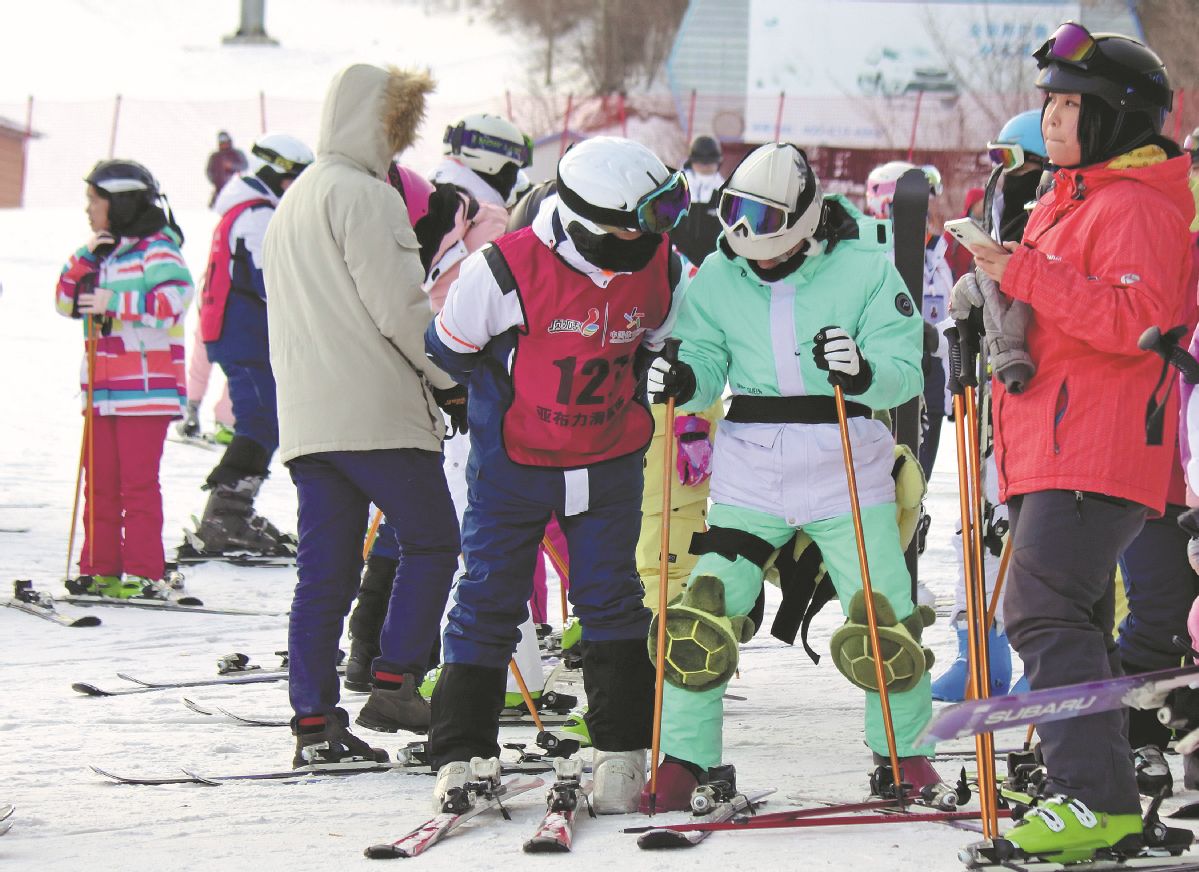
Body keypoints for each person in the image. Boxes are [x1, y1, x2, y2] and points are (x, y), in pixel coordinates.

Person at [953, 22, 1192, 863]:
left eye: (1071, 104)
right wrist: (991, 282)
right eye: (1049, 100)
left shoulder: (1134, 207)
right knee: (1074, 618)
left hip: (1098, 444)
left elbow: (1136, 322)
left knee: (1042, 608)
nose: (1051, 118)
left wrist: (1015, 270)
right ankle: (1100, 799)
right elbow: (1056, 304)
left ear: (1117, 117)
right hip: (1057, 442)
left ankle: (1098, 802)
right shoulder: (1079, 196)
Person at [646, 142, 936, 811]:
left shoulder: (864, 264)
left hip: (844, 466)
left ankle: (902, 750)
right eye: (736, 215)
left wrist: (862, 371)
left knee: (881, 615)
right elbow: (703, 356)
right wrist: (683, 379)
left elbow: (904, 366)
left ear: (804, 220)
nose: (749, 237)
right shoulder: (718, 275)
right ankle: (685, 756)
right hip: (752, 473)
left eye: (765, 220)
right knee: (704, 608)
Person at [423, 135, 691, 814]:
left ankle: (622, 750)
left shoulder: (663, 262)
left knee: (610, 597)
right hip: (516, 462)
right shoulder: (504, 269)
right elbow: (449, 349)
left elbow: (666, 341)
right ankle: (462, 754)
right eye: (647, 219)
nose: (657, 235)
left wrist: (667, 371)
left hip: (608, 460)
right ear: (594, 219)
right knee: (487, 594)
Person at [263, 64, 463, 767]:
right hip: (375, 410)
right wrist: (452, 381)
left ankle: (313, 723)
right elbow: (402, 310)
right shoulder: (366, 198)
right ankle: (395, 678)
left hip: (310, 418)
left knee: (323, 575)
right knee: (434, 539)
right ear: (389, 124)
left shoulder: (294, 198)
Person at [343, 161, 507, 693]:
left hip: (468, 387)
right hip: (417, 384)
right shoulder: (412, 225)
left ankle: (411, 650)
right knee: (411, 520)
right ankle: (369, 646)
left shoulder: (489, 231)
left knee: (445, 524)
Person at [932, 109, 1050, 703]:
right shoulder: (1000, 222)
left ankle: (1037, 660)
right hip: (991, 405)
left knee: (1027, 537)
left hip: (1043, 408)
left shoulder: (1058, 229)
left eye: (1011, 161)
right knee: (974, 529)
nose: (1001, 177)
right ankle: (979, 656)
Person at [56, 160, 193, 598]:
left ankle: (142, 569)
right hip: (102, 390)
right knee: (99, 483)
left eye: (94, 201)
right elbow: (64, 300)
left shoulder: (159, 250)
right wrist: (86, 256)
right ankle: (100, 567)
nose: (88, 210)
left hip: (146, 392)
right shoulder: (102, 251)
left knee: (136, 484)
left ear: (120, 202)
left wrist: (113, 300)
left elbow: (173, 299)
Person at [186, 133, 314, 558]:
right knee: (261, 422)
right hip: (245, 335)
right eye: (297, 178)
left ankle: (229, 514)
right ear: (281, 175)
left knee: (264, 421)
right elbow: (270, 281)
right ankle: (226, 517)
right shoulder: (257, 217)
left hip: (239, 333)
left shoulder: (247, 210)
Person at [432, 112, 531, 210]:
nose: (512, 179)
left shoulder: (428, 192)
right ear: (492, 159)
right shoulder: (485, 214)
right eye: (511, 168)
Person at [671, 134, 726, 266]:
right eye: (701, 162)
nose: (705, 166)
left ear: (718, 162)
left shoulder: (724, 193)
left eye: (710, 162)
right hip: (679, 262)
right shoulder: (677, 190)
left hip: (712, 264)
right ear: (692, 161)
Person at [205, 131, 248, 208]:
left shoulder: (237, 153)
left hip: (236, 190)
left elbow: (245, 166)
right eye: (221, 142)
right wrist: (215, 180)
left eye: (225, 141)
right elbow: (208, 171)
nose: (224, 144)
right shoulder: (215, 156)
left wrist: (232, 166)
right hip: (220, 190)